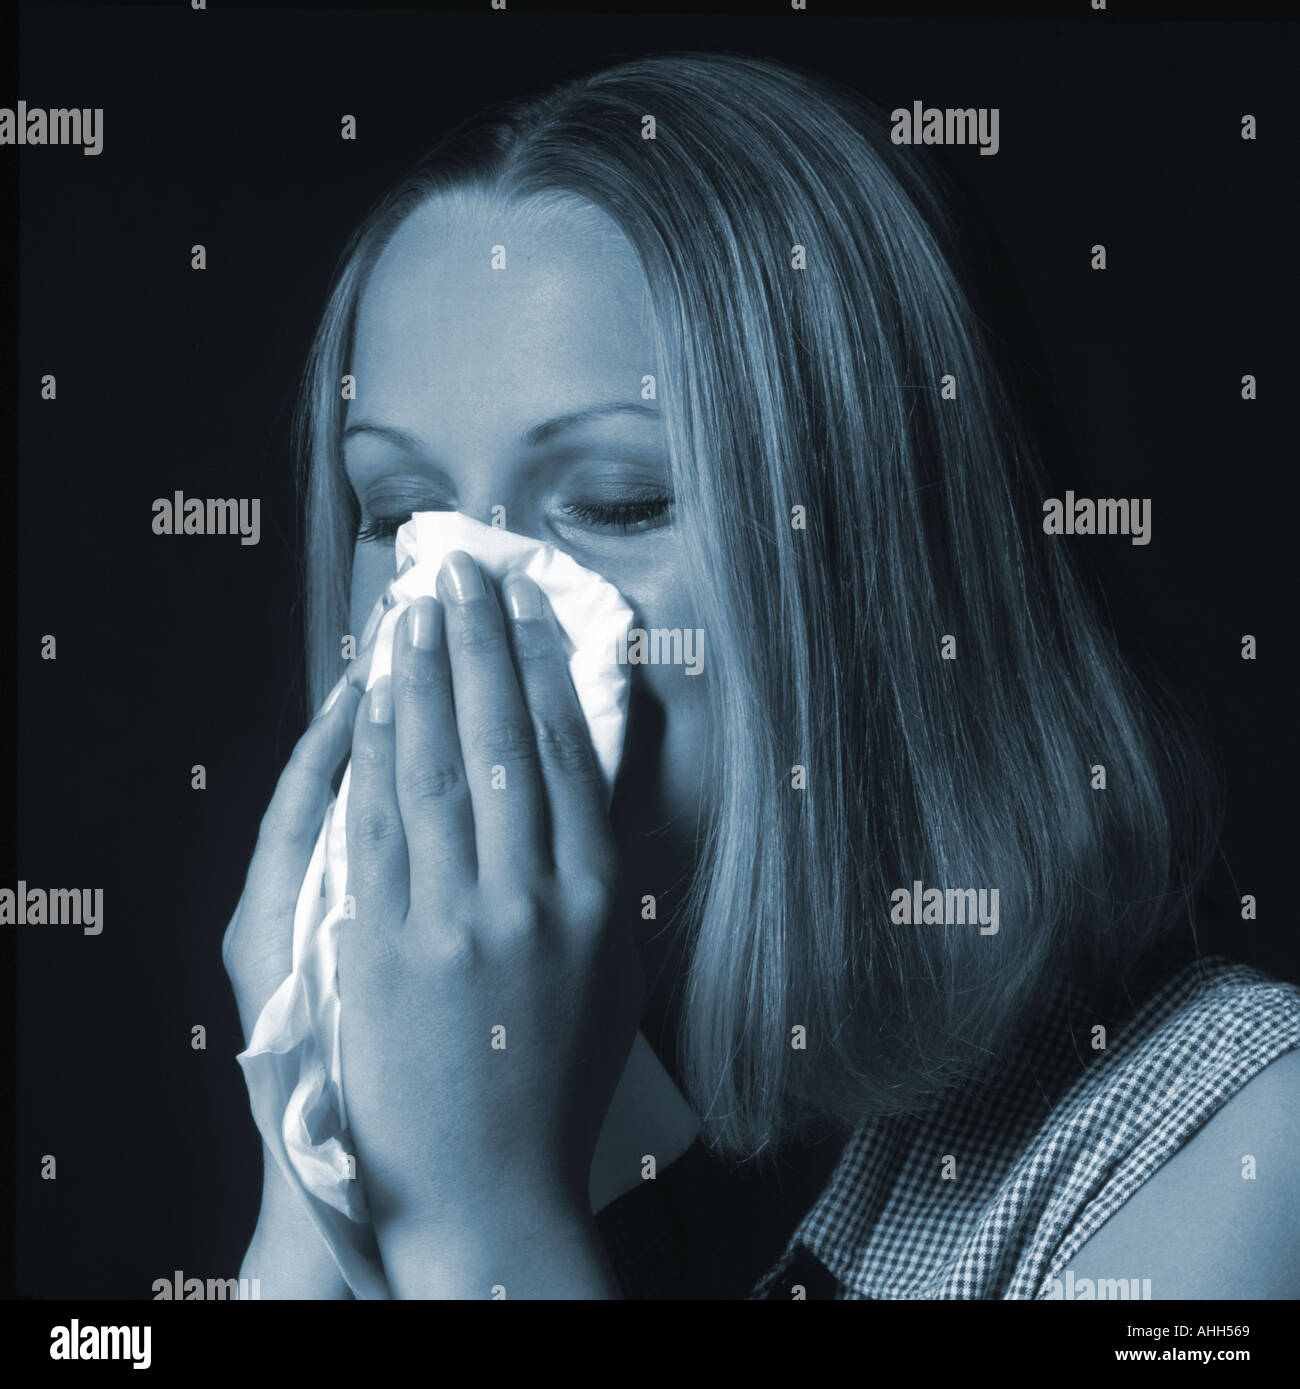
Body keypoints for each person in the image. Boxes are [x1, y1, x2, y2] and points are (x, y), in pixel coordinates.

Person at [222, 52, 1300, 1299]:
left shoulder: (1230, 1145)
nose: (458, 592)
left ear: (873, 564)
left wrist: (478, 1221)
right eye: (400, 512)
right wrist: (320, 1168)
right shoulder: (572, 1117)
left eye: (618, 502)